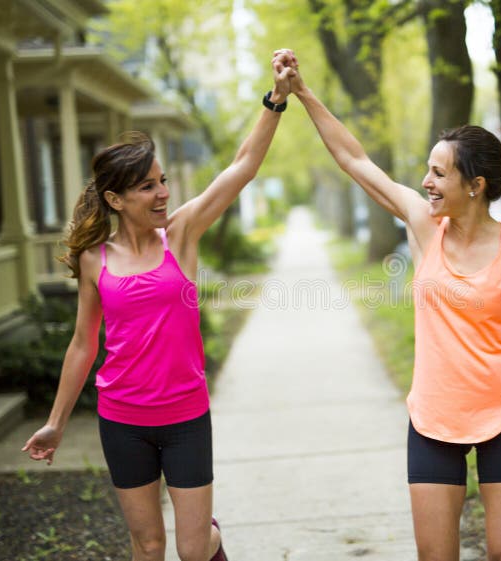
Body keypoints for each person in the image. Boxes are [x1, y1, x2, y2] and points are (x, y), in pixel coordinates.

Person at [274, 49, 501, 561]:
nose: (426, 182)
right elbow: (355, 160)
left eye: (439, 173)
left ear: (476, 186)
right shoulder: (425, 228)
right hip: (432, 421)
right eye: (428, 170)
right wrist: (303, 92)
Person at [22, 57, 296, 561]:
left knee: (193, 551)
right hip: (122, 418)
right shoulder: (94, 259)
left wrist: (275, 100)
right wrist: (56, 422)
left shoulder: (181, 234)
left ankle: (212, 537)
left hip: (185, 415)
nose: (163, 193)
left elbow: (242, 167)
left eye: (162, 180)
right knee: (148, 546)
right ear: (115, 199)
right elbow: (83, 344)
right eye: (147, 186)